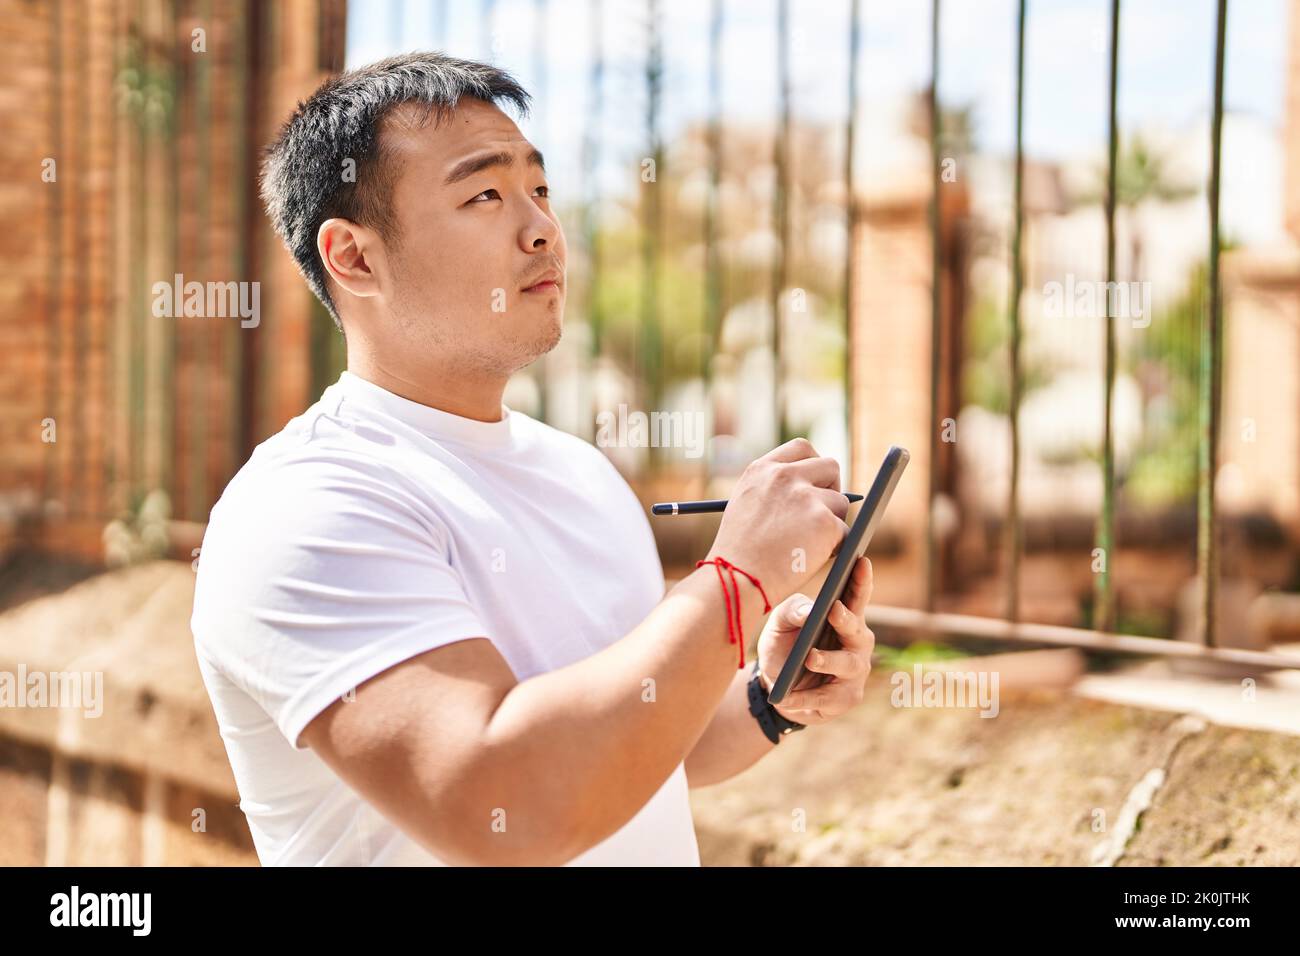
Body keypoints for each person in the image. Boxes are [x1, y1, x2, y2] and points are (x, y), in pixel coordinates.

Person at [190, 51, 876, 866]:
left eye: (540, 190)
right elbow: (499, 803)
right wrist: (737, 587)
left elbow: (643, 755)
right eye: (484, 193)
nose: (542, 227)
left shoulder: (581, 472)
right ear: (355, 258)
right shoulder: (304, 504)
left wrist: (769, 698)